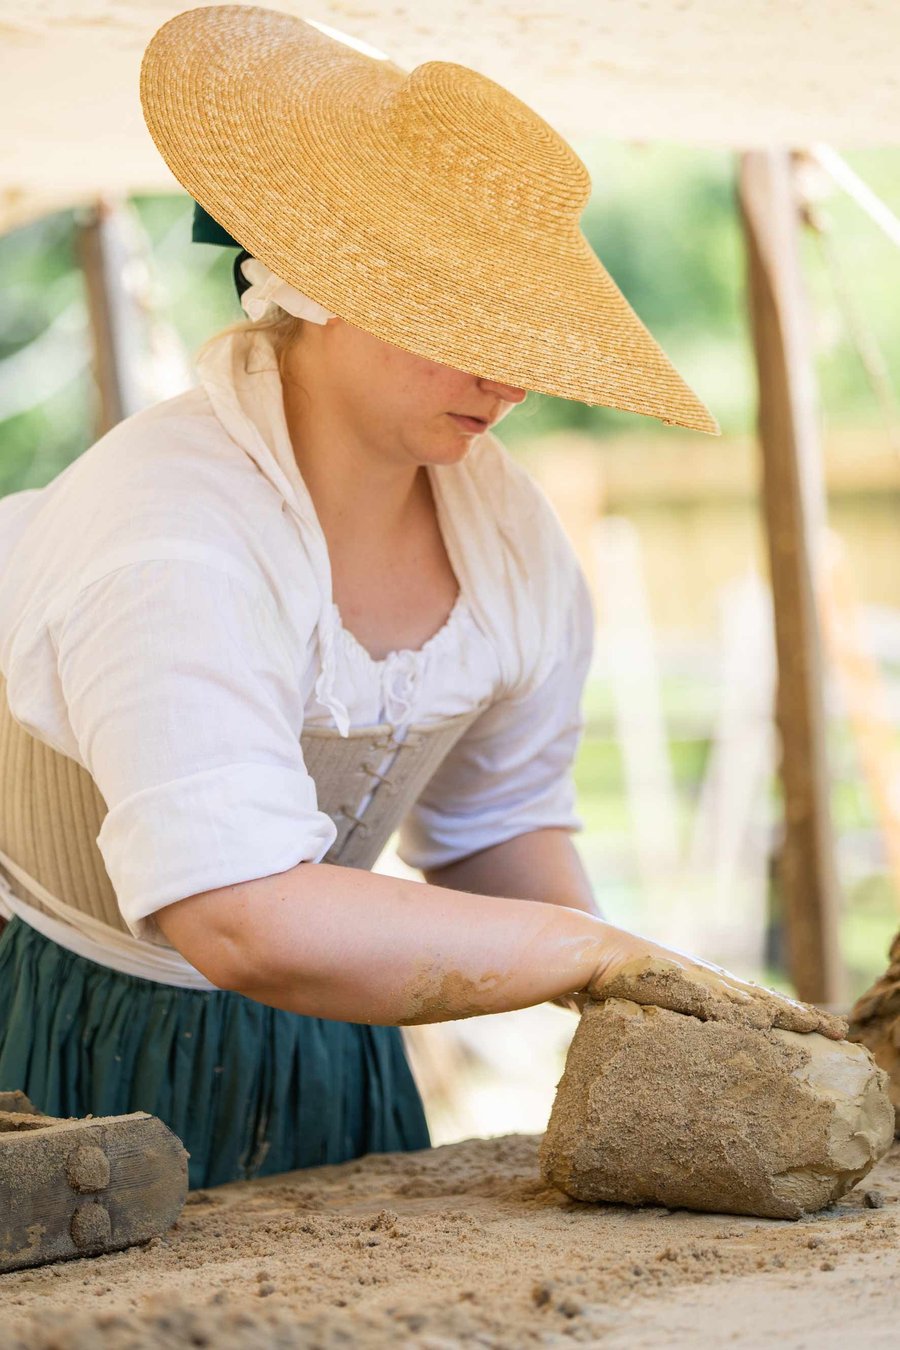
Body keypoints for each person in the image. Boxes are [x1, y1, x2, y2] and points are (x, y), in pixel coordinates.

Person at [0, 6, 836, 1188]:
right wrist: (583, 953)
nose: (509, 377)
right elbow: (239, 920)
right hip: (95, 1048)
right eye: (463, 323)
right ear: (324, 282)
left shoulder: (504, 533)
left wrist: (666, 1007)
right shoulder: (169, 531)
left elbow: (495, 826)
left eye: (524, 330)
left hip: (348, 1045)